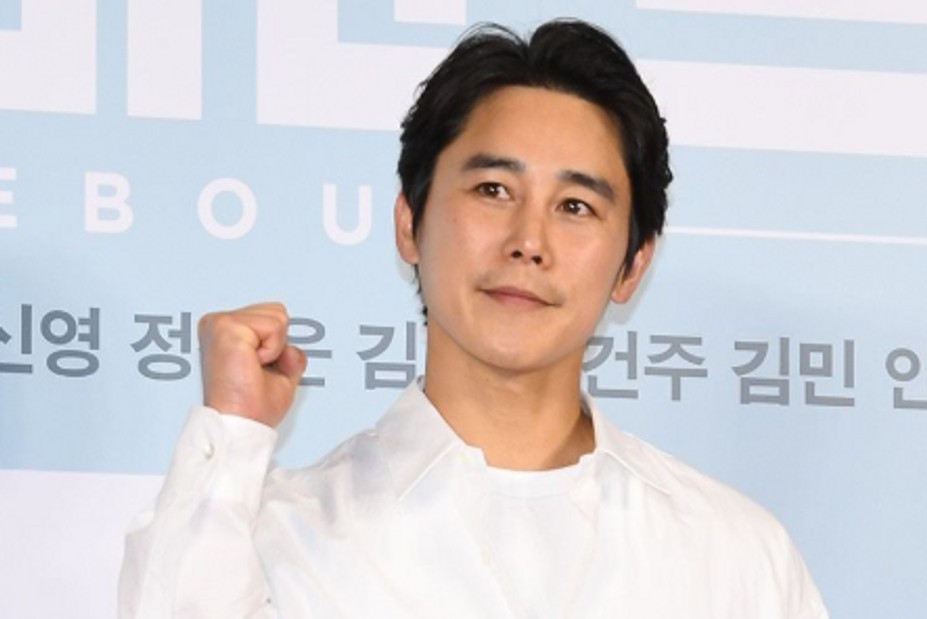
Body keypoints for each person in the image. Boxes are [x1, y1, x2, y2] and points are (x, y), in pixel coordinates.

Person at [119, 19, 828, 619]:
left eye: (575, 206)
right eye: (493, 189)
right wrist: (233, 433)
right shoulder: (279, 537)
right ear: (410, 222)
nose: (529, 240)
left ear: (632, 265)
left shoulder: (734, 555)